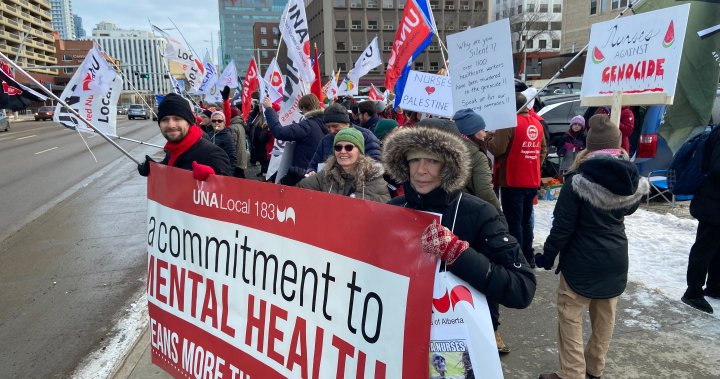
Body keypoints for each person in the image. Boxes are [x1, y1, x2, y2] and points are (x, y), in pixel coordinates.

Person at [534, 114, 649, 379]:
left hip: (581, 261)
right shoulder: (628, 180)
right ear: (617, 144)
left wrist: (547, 256)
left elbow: (563, 227)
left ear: (590, 145)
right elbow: (629, 208)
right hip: (616, 258)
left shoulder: (577, 181)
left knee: (570, 315)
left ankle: (572, 373)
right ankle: (594, 368)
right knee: (605, 318)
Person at [382, 126, 536, 311]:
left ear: (449, 166)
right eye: (414, 160)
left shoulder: (480, 213)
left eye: (432, 161)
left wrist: (459, 254)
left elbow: (521, 289)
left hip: (464, 334)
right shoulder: (393, 210)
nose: (421, 170)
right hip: (402, 328)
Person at [487, 92, 547, 267]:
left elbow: (497, 149)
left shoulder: (509, 123)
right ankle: (528, 255)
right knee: (526, 221)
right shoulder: (538, 123)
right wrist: (532, 163)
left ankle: (517, 259)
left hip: (512, 180)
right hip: (531, 179)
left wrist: (488, 137)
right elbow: (543, 149)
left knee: (514, 222)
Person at [137, 93, 232, 179]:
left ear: (189, 122)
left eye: (177, 119)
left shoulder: (212, 154)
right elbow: (172, 169)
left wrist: (213, 177)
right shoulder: (173, 148)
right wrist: (154, 168)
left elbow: (229, 194)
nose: (171, 125)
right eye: (165, 120)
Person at [682, 126, 720, 314]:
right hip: (713, 203)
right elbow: (717, 168)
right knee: (704, 248)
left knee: (716, 247)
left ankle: (714, 287)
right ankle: (692, 292)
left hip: (712, 201)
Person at [297, 128, 390, 203]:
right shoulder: (326, 174)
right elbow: (297, 192)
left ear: (360, 151)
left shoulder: (373, 176)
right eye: (338, 147)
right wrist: (291, 180)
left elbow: (380, 206)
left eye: (349, 147)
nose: (342, 151)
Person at [263, 94, 328, 179]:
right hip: (316, 172)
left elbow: (279, 132)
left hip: (303, 173)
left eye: (301, 112)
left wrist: (269, 109)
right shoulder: (325, 123)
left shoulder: (308, 126)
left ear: (304, 108)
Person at [306, 103, 382, 174]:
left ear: (346, 123)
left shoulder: (366, 136)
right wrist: (311, 171)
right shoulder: (325, 140)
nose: (331, 131)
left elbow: (375, 164)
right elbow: (314, 164)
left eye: (335, 126)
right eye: (328, 127)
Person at [453, 109, 502, 212]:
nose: (485, 134)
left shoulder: (448, 147)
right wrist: (498, 211)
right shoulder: (477, 156)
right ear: (471, 132)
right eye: (482, 130)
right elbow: (484, 191)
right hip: (469, 209)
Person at [226, 107, 249, 178]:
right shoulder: (239, 124)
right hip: (241, 158)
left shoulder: (232, 127)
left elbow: (232, 145)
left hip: (236, 160)